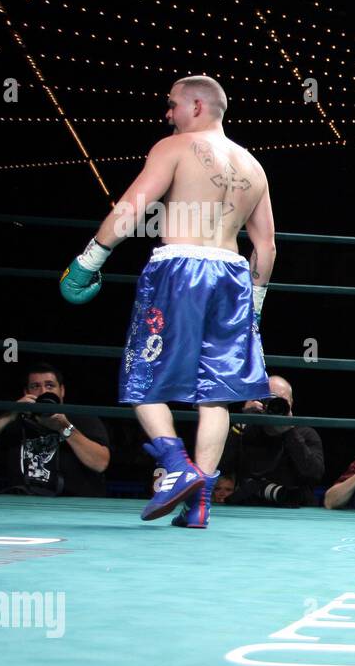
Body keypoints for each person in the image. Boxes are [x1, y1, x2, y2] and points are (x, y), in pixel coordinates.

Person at [58, 75, 276, 528]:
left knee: (143, 375)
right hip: (233, 275)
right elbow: (267, 247)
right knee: (217, 392)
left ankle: (176, 465)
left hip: (181, 270)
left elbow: (133, 206)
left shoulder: (173, 146)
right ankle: (200, 503)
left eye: (172, 104)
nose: (167, 113)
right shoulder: (254, 165)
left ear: (196, 107)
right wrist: (252, 308)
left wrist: (89, 259)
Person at [0, 363, 111, 497]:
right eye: (35, 386)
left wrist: (64, 428)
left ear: (62, 390)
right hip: (23, 503)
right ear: (26, 392)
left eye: (50, 385)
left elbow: (100, 463)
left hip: (72, 505)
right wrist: (10, 415)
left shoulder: (82, 418)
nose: (43, 391)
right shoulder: (17, 420)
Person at [221, 375, 324, 507]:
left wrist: (289, 431)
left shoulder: (305, 434)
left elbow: (314, 475)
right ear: (260, 401)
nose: (276, 405)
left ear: (291, 403)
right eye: (270, 399)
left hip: (294, 509)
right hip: (251, 508)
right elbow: (222, 468)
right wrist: (242, 422)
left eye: (282, 401)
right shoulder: (244, 431)